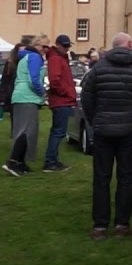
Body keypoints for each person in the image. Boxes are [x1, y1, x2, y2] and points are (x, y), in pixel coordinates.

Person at [81, 32, 132, 240]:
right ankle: (122, 225)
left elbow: (86, 98)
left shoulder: (99, 68)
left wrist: (95, 120)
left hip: (104, 128)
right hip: (129, 129)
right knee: (126, 178)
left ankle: (99, 226)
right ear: (130, 45)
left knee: (101, 178)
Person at [3, 36, 48, 176]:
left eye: (47, 47)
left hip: (20, 96)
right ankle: (13, 161)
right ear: (36, 46)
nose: (46, 50)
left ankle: (20, 163)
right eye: (44, 46)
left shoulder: (25, 57)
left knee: (24, 130)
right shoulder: (34, 57)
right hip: (27, 96)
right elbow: (33, 79)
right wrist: (42, 92)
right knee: (27, 131)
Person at [43, 34, 78, 173]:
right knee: (58, 132)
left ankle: (52, 160)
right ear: (58, 45)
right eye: (65, 45)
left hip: (62, 100)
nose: (67, 48)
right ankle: (50, 161)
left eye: (68, 45)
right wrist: (68, 92)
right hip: (61, 101)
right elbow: (55, 82)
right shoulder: (56, 59)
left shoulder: (58, 58)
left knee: (58, 132)